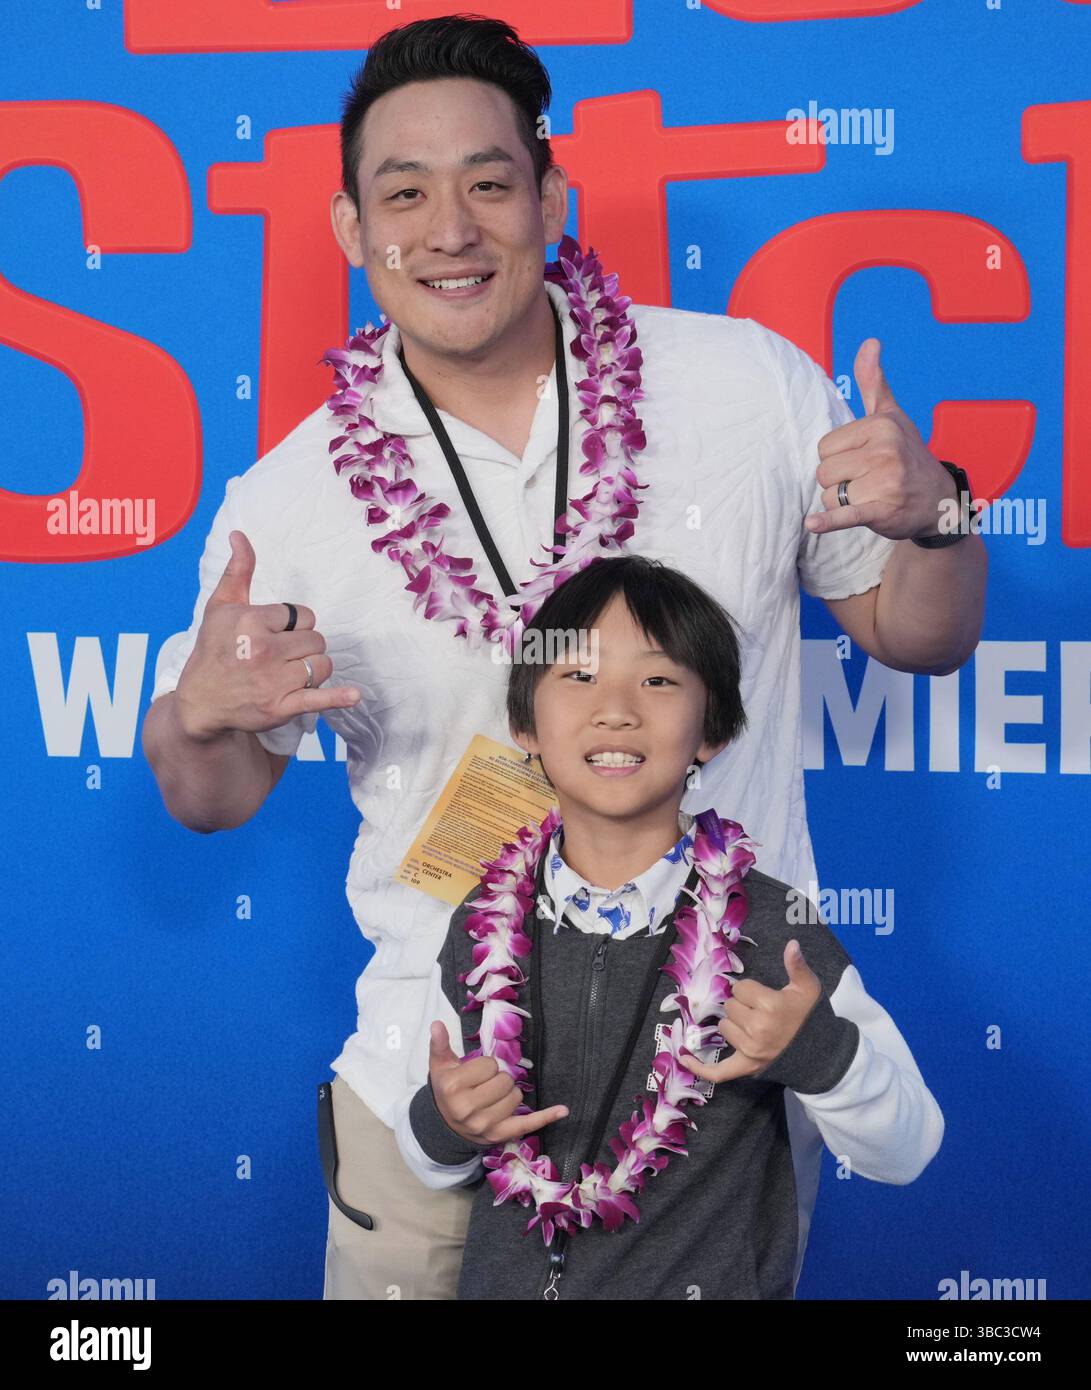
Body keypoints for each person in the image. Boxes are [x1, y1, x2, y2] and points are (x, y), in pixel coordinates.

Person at [140, 14, 983, 1300]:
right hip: (439, 1077)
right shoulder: (287, 499)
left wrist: (942, 514)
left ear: (550, 194)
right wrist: (199, 717)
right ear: (347, 230)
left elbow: (920, 634)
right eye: (402, 192)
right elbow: (211, 798)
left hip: (720, 1068)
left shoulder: (741, 382)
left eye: (488, 182)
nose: (449, 227)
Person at [397, 554, 944, 1300]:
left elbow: (908, 1147)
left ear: (711, 730)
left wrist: (815, 1051)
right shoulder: (481, 922)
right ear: (526, 723)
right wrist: (449, 1121)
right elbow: (428, 1156)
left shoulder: (775, 931)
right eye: (579, 676)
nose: (617, 707)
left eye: (658, 680)